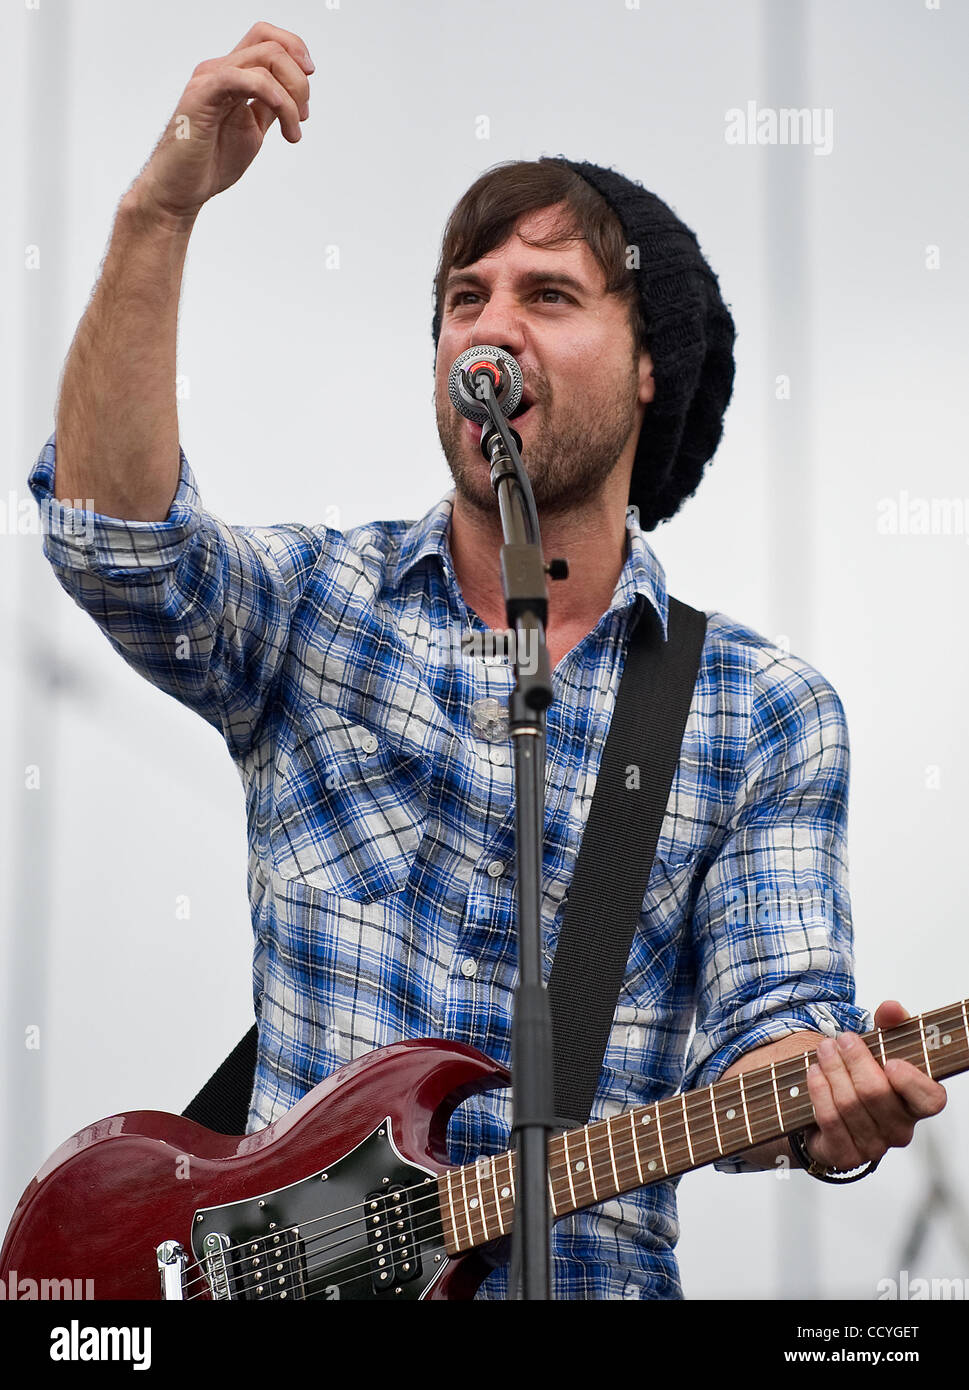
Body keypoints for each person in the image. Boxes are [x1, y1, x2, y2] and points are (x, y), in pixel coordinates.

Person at [29, 20, 946, 1300]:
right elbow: (117, 545)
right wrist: (159, 210)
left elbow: (771, 1032)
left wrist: (827, 1095)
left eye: (546, 296)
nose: (488, 330)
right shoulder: (320, 609)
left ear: (647, 372)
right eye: (466, 299)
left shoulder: (757, 711)